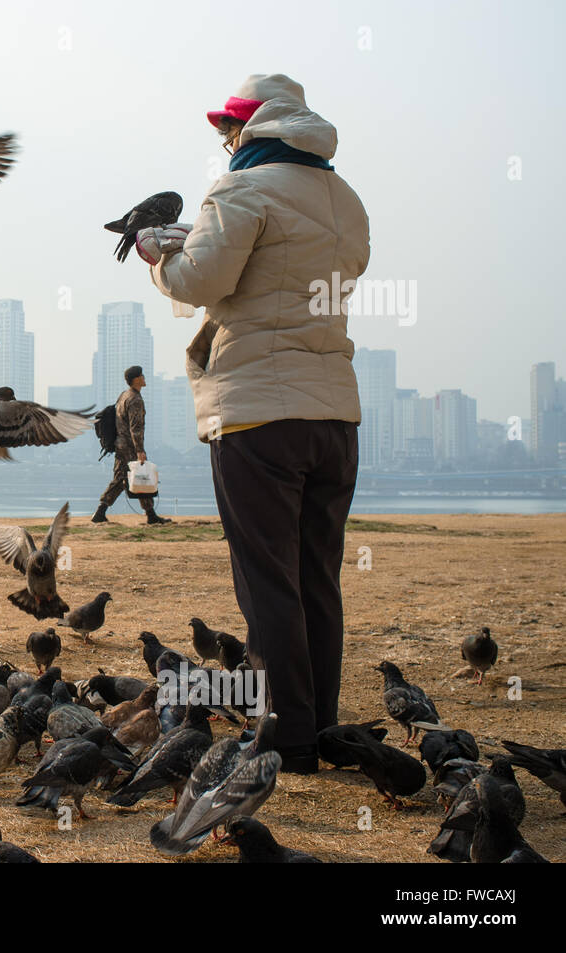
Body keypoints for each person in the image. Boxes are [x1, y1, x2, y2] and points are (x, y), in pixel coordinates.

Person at [135, 75, 369, 774]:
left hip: (259, 415)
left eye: (230, 131)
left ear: (255, 129)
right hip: (334, 415)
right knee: (315, 579)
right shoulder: (346, 199)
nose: (226, 142)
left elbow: (201, 282)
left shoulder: (242, 188)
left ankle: (285, 738)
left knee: (268, 583)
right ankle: (319, 727)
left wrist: (160, 257)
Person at [93, 365, 172, 525]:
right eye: (142, 375)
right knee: (138, 476)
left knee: (132, 478)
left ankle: (149, 514)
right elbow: (135, 428)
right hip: (129, 446)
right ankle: (102, 511)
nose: (144, 377)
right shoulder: (135, 399)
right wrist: (140, 450)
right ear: (136, 379)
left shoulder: (124, 395)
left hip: (120, 444)